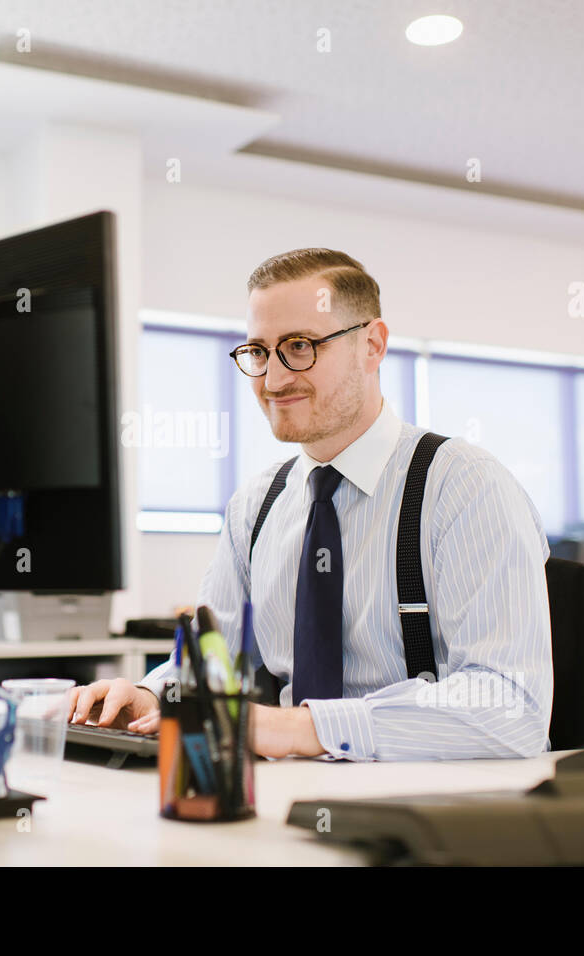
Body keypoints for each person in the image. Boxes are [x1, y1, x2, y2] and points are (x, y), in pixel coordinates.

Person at [68, 248, 553, 760]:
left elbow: (510, 706)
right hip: (295, 797)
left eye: (299, 346)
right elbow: (212, 663)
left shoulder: (463, 486)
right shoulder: (254, 507)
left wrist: (297, 730)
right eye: (258, 351)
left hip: (441, 812)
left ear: (372, 345)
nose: (273, 381)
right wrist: (152, 695)